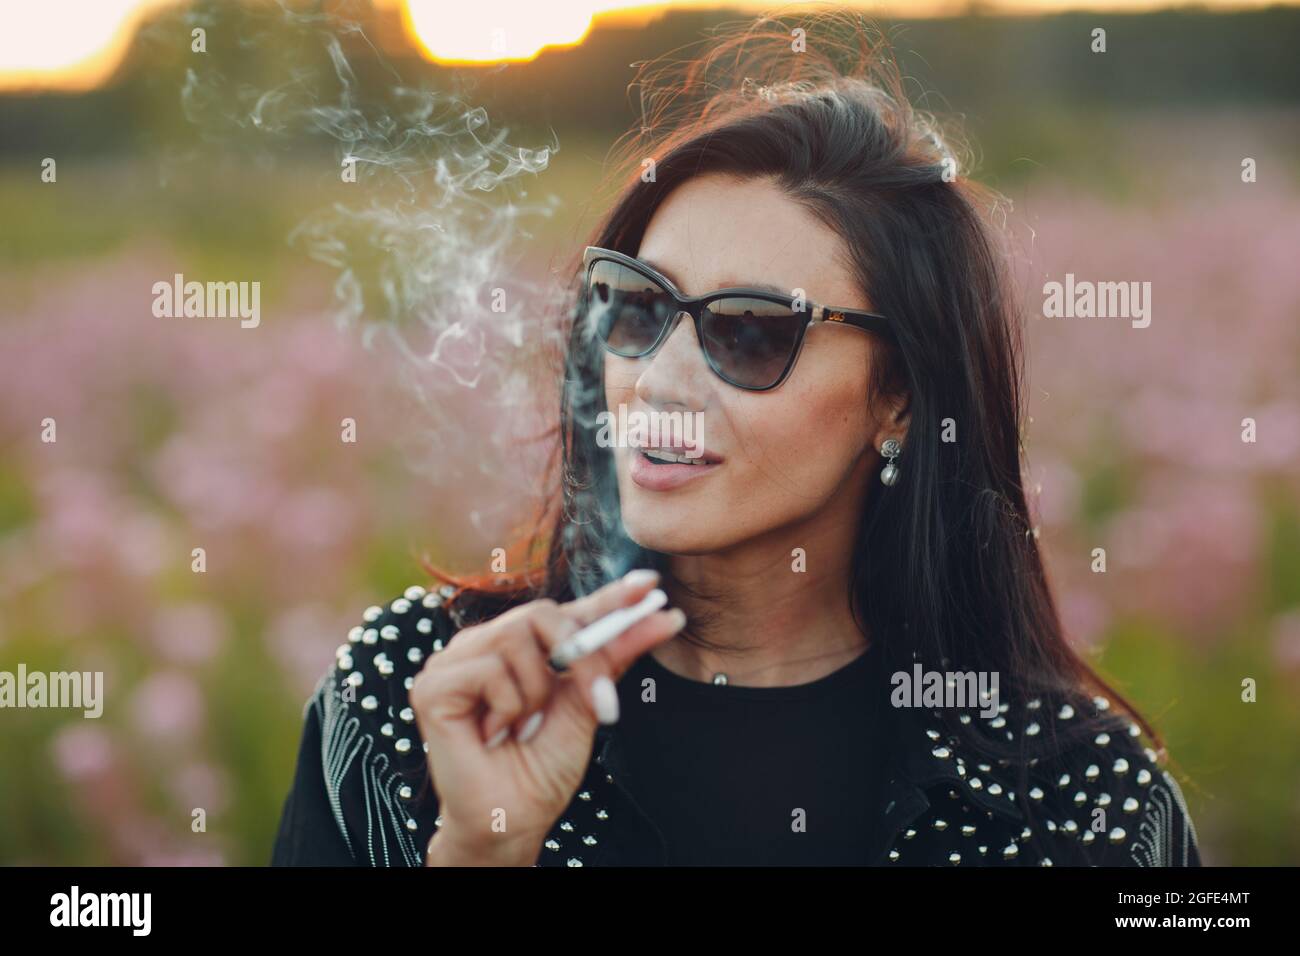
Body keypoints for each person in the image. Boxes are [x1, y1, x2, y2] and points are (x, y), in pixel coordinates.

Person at [271, 16, 1200, 868]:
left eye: (751, 328)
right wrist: (478, 853)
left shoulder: (1081, 801)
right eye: (635, 307)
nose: (658, 381)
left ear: (901, 399)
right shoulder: (420, 696)